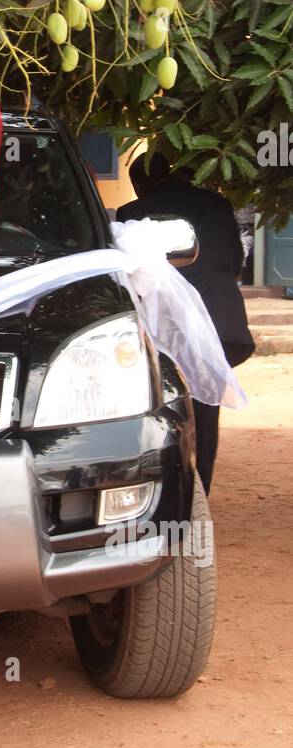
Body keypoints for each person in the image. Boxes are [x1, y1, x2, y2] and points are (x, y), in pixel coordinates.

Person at [118, 154, 254, 493]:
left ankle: (157, 494)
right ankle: (199, 493)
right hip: (220, 320)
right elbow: (236, 263)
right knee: (206, 413)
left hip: (163, 328)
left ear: (140, 184)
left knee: (153, 410)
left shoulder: (131, 214)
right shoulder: (217, 204)